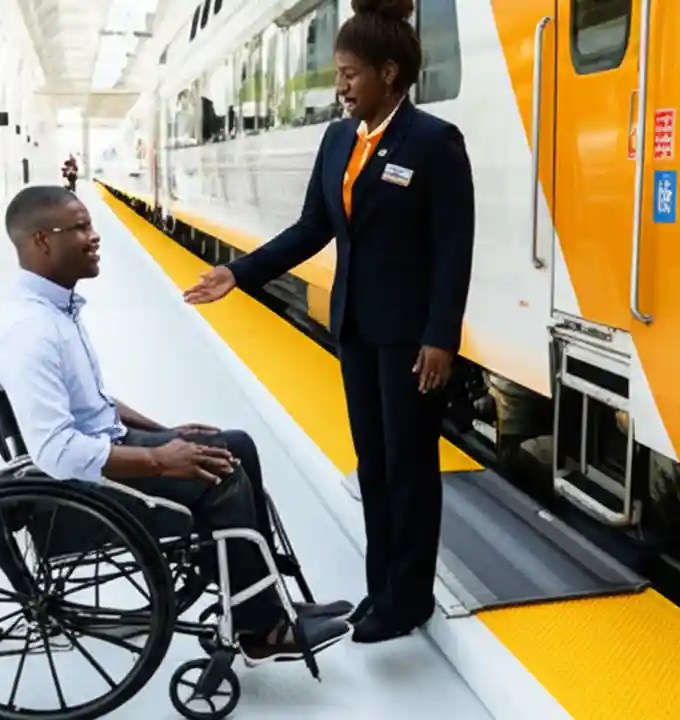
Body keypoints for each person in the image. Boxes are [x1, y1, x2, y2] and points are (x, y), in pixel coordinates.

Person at [184, 0, 475, 645]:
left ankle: (410, 600)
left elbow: (454, 249)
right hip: (356, 329)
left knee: (410, 468)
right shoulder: (339, 139)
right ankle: (382, 590)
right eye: (339, 73)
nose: (338, 86)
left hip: (408, 340)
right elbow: (314, 226)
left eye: (349, 74)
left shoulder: (433, 142)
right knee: (373, 465)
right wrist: (240, 272)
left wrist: (440, 338)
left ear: (390, 73)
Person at [0, 185, 354, 663]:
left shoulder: (53, 309)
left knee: (236, 444)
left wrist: (169, 434)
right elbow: (56, 451)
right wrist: (159, 458)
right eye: (79, 228)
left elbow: (91, 402)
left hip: (100, 449)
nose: (95, 237)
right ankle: (260, 631)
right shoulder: (30, 332)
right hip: (83, 487)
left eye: (91, 225)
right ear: (42, 241)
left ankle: (261, 598)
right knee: (223, 476)